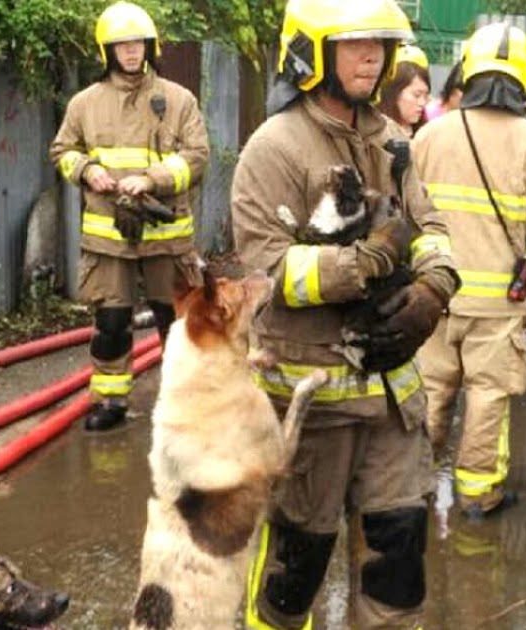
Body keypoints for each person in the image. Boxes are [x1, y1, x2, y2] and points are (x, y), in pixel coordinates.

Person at [231, 0, 460, 627]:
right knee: (292, 577)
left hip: (392, 403)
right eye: (355, 42)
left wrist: (434, 289)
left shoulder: (392, 140)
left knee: (397, 567)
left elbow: (431, 228)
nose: (372, 56)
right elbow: (268, 271)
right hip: (312, 413)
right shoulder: (273, 148)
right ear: (311, 53)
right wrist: (368, 261)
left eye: (380, 43)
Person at [412, 22, 526, 520]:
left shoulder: (430, 133)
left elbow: (404, 210)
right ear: (525, 79)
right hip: (497, 303)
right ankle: (479, 496)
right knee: (487, 396)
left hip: (433, 293)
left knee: (428, 393)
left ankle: (412, 491)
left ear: (469, 71)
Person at [49, 1, 209, 431]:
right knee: (111, 323)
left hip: (166, 234)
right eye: (122, 45)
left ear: (150, 46)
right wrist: (88, 170)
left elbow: (197, 156)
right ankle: (111, 400)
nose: (132, 51)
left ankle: (187, 404)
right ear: (108, 52)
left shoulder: (178, 100)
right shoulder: (85, 104)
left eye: (138, 43)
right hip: (109, 238)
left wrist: (152, 179)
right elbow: (63, 151)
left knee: (177, 325)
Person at [378, 44, 431, 137]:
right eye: (417, 95)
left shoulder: (427, 133)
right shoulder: (373, 133)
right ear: (394, 93)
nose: (422, 103)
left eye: (426, 96)